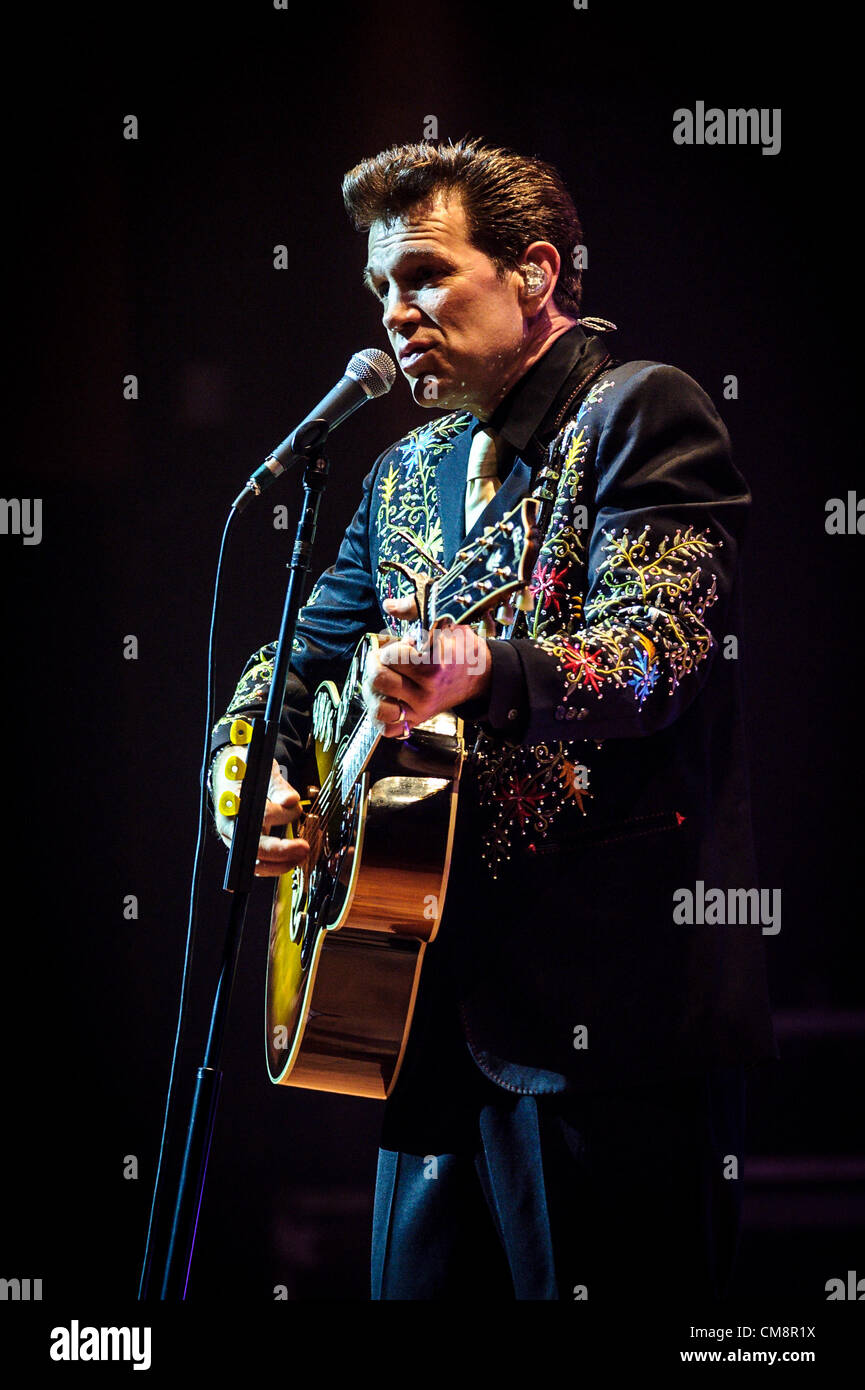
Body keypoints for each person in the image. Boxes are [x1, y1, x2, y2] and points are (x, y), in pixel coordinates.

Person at [208, 138, 777, 1301]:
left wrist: (481, 665)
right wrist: (246, 776)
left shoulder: (638, 413)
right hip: (415, 1017)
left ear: (533, 271)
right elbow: (292, 662)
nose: (395, 309)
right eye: (380, 289)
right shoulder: (401, 474)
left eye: (422, 273)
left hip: (605, 1030)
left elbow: (652, 655)